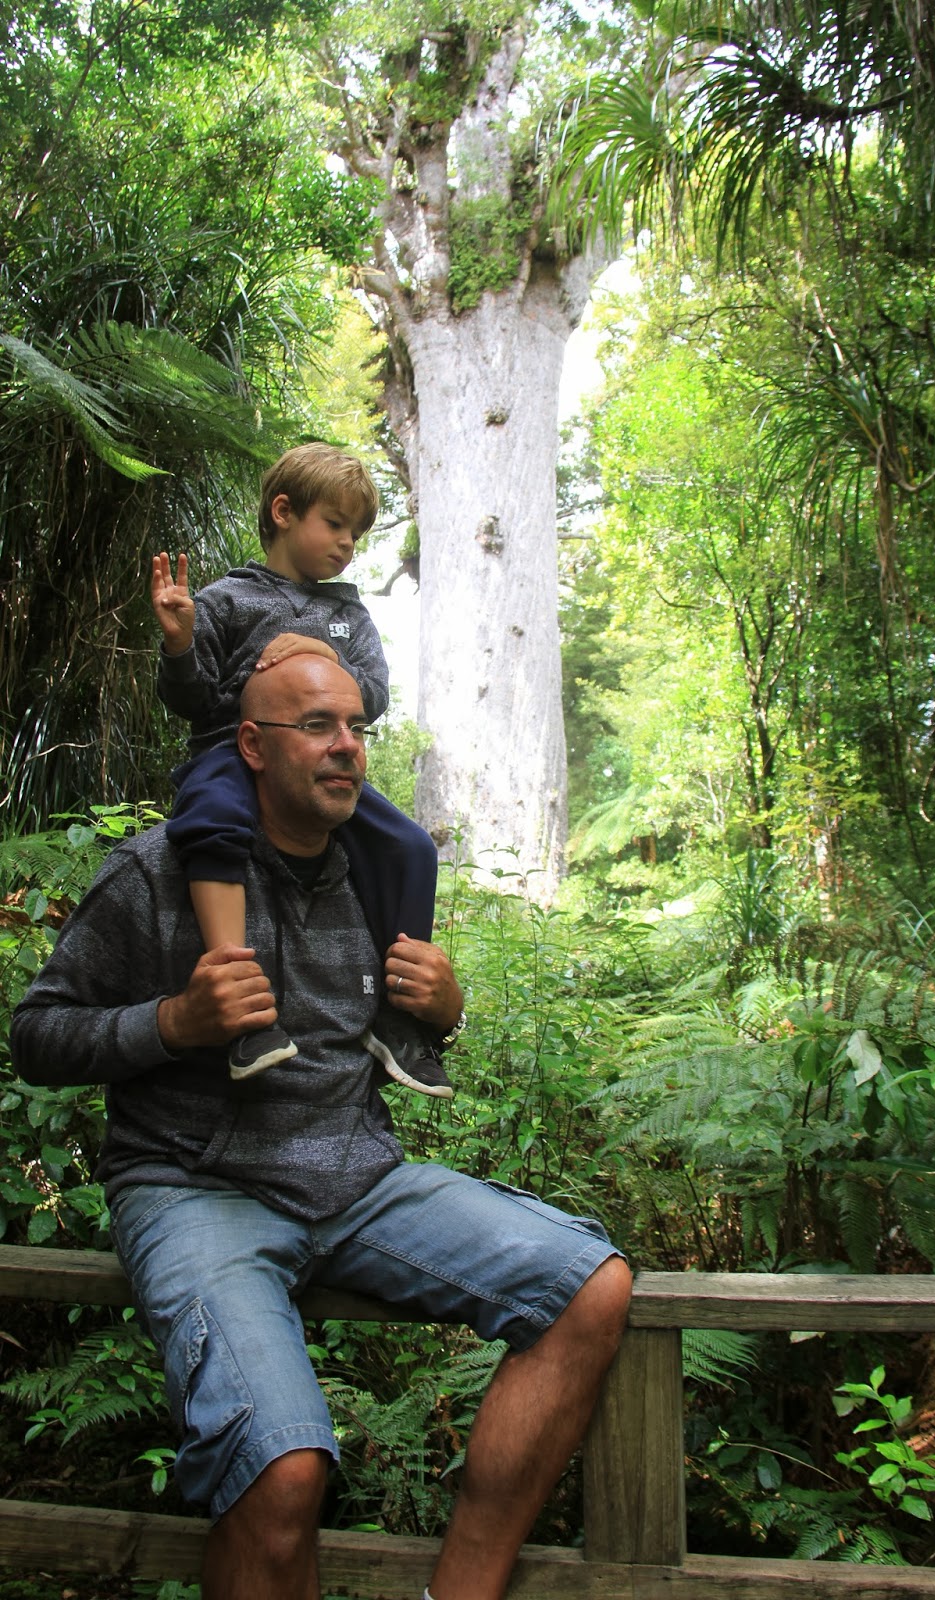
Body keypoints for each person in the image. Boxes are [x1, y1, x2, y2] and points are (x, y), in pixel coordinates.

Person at [11, 653, 632, 1600]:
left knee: (588, 1286)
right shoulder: (154, 872)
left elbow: (399, 1031)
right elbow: (38, 1036)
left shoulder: (374, 876)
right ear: (252, 746)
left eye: (356, 726)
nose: (347, 746)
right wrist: (173, 1022)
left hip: (359, 1180)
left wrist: (448, 1008)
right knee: (282, 1469)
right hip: (194, 1188)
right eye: (317, 726)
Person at [151, 440, 455, 1097]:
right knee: (209, 822)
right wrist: (179, 642)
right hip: (228, 757)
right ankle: (243, 1011)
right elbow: (191, 699)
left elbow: (372, 693)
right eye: (336, 523)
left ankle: (399, 1019)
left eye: (357, 532)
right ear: (284, 512)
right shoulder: (227, 601)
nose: (348, 543)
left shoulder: (349, 615)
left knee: (409, 847)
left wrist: (320, 652)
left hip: (326, 772)